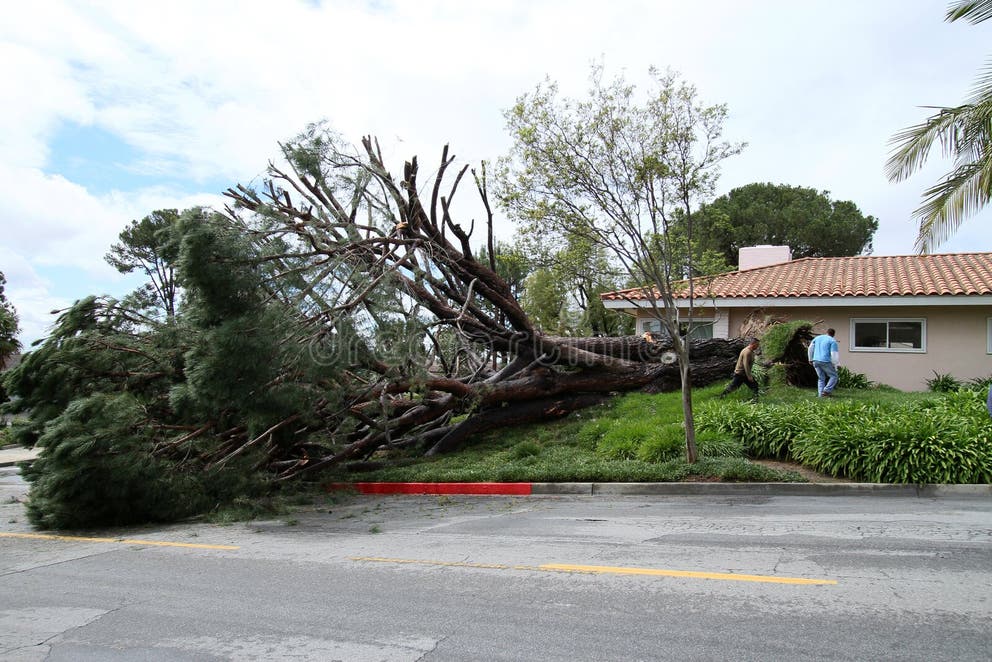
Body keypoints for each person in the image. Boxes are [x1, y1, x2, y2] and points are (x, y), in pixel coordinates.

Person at [808, 328, 840, 397]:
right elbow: (834, 354)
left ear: (826, 332)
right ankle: (826, 391)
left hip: (815, 360)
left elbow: (810, 348)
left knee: (821, 378)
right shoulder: (832, 341)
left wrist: (810, 359)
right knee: (834, 376)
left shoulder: (817, 338)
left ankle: (821, 395)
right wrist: (836, 365)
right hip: (825, 361)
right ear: (833, 334)